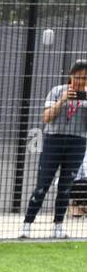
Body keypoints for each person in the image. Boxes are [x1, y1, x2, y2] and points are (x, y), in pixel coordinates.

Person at [21, 59, 87, 239]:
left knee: (66, 186)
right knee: (42, 185)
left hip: (77, 143)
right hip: (53, 141)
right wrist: (62, 101)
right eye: (78, 77)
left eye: (85, 78)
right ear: (71, 76)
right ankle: (27, 224)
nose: (80, 81)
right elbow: (46, 118)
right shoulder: (57, 91)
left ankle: (58, 226)